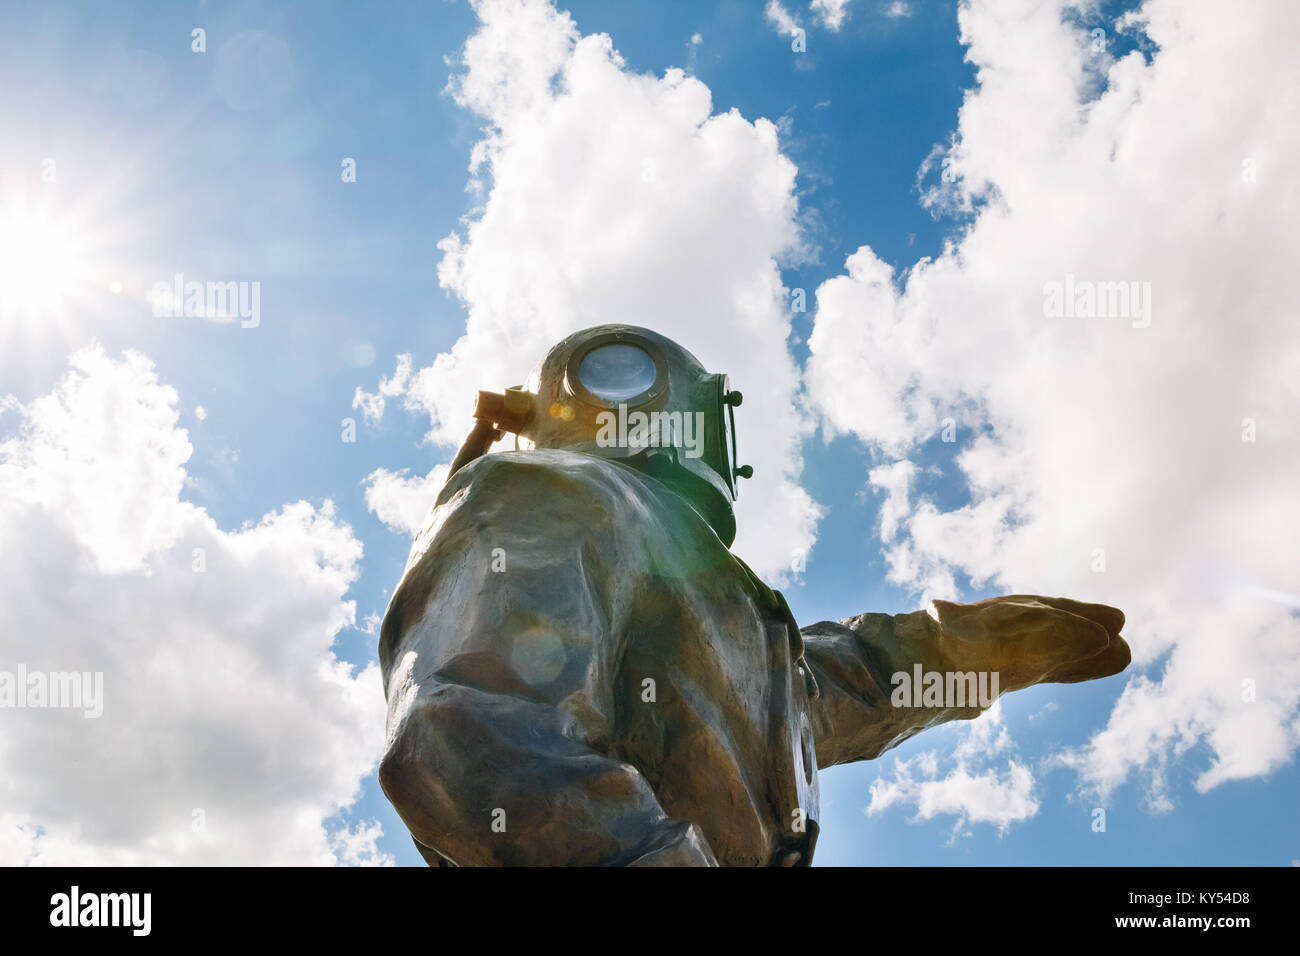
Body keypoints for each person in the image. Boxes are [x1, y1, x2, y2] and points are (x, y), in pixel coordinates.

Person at [378, 325, 1130, 866]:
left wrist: (979, 649)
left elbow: (850, 679)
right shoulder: (552, 492)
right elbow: (464, 731)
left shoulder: (740, 620)